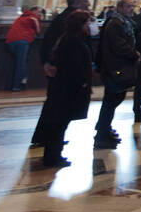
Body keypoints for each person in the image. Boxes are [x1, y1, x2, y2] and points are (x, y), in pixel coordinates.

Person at [30, 0, 91, 148]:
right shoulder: (70, 21)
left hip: (61, 70)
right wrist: (48, 63)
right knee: (58, 108)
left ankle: (49, 138)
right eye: (85, 2)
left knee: (55, 106)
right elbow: (51, 43)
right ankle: (49, 139)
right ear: (75, 3)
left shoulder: (68, 18)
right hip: (63, 72)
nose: (89, 4)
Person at [35, 10, 96, 168]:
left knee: (59, 124)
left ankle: (54, 155)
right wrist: (82, 83)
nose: (89, 25)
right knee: (59, 124)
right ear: (81, 24)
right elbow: (73, 67)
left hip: (63, 88)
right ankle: (53, 157)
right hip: (67, 89)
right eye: (87, 22)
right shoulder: (73, 41)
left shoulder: (68, 38)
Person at [93, 0, 139, 148]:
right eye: (128, 6)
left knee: (114, 100)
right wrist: (134, 54)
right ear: (119, 7)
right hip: (115, 67)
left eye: (133, 6)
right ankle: (102, 133)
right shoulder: (115, 23)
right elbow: (118, 45)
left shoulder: (124, 22)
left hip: (119, 66)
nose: (131, 9)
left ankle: (104, 128)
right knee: (111, 100)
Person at [4, 6, 44, 91]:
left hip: (10, 42)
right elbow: (38, 32)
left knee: (21, 62)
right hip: (22, 41)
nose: (40, 14)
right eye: (39, 12)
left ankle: (20, 81)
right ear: (33, 11)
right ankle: (17, 85)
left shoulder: (20, 17)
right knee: (21, 64)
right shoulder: (34, 18)